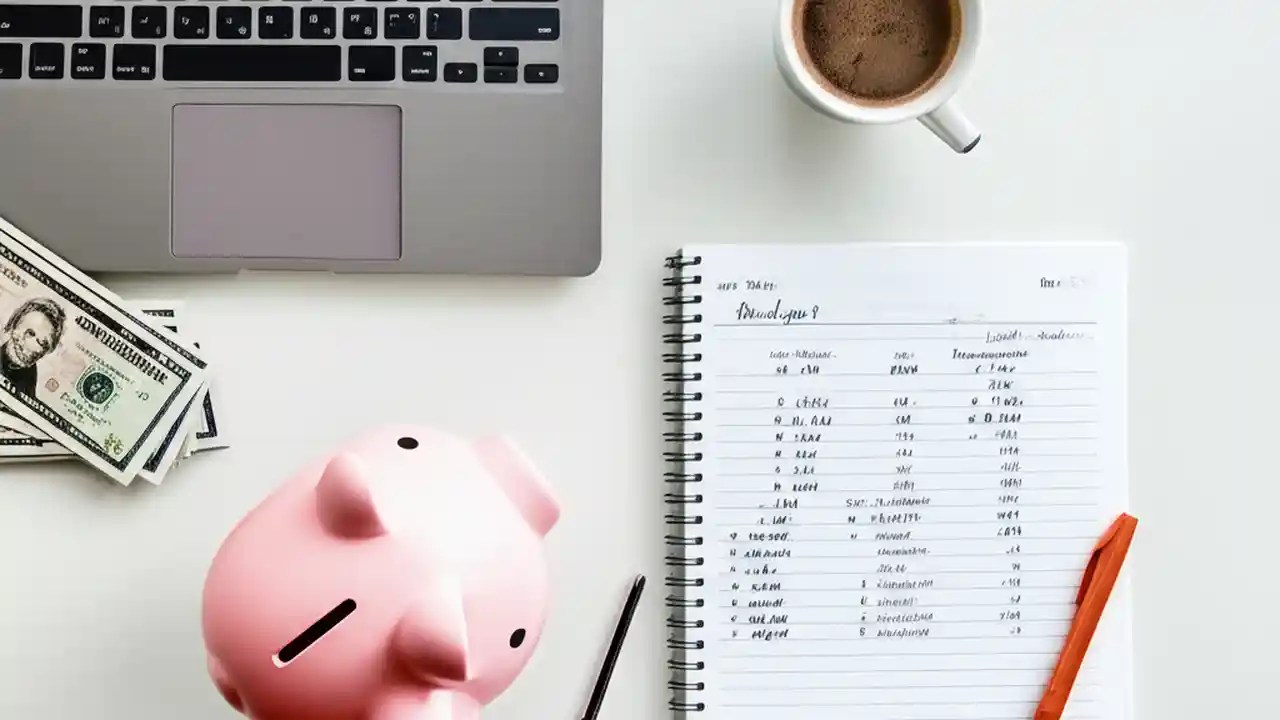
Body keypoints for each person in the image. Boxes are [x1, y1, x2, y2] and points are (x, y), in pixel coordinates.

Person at [0, 298, 67, 398]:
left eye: (43, 344)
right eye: (30, 333)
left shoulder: (29, 385)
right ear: (15, 323)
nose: (37, 349)